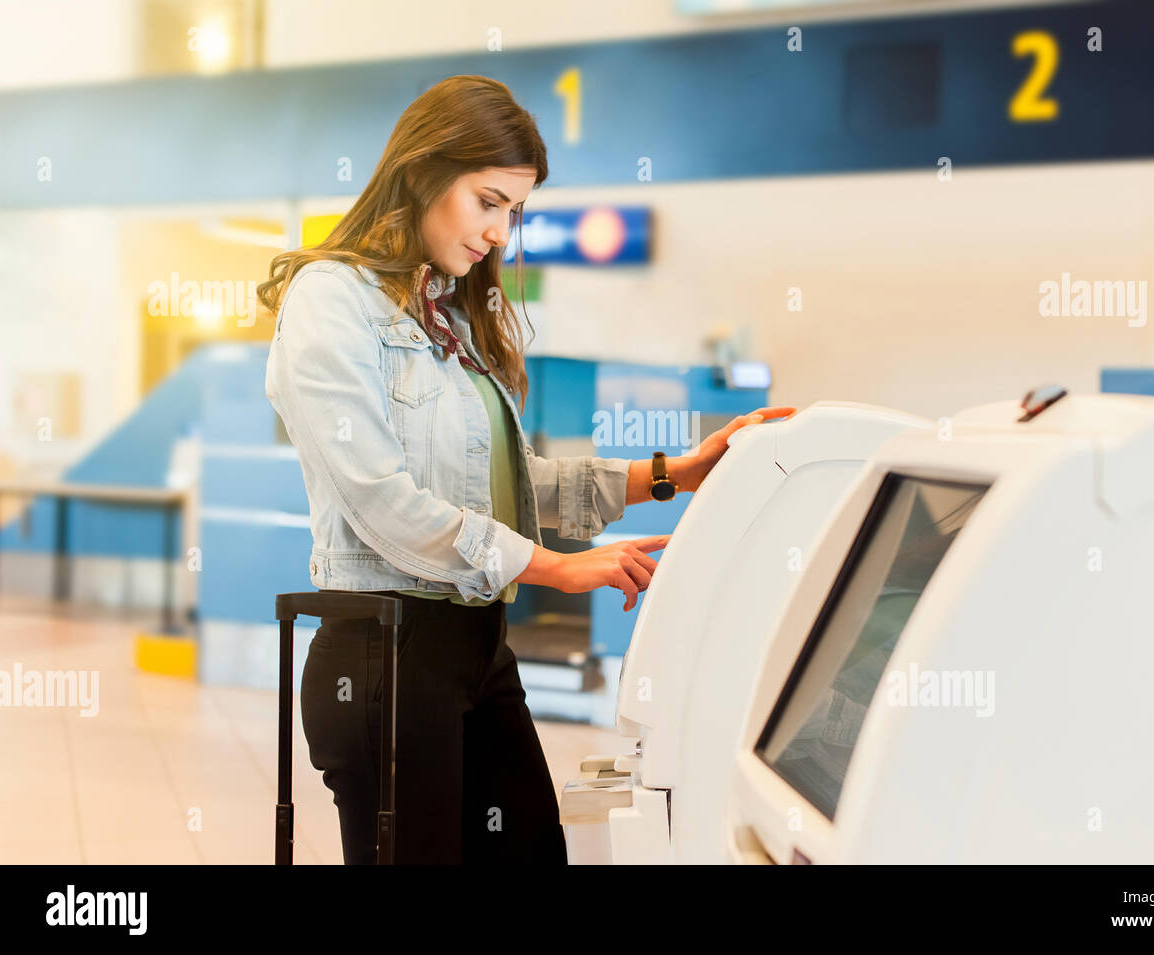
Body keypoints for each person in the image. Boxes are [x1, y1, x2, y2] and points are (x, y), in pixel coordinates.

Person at [260, 74, 794, 864]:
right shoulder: (331, 301)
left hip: (475, 648)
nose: (499, 233)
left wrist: (679, 472)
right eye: (488, 201)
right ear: (422, 171)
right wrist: (556, 567)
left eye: (514, 211)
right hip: (385, 657)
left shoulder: (446, 314)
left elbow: (509, 487)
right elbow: (384, 503)